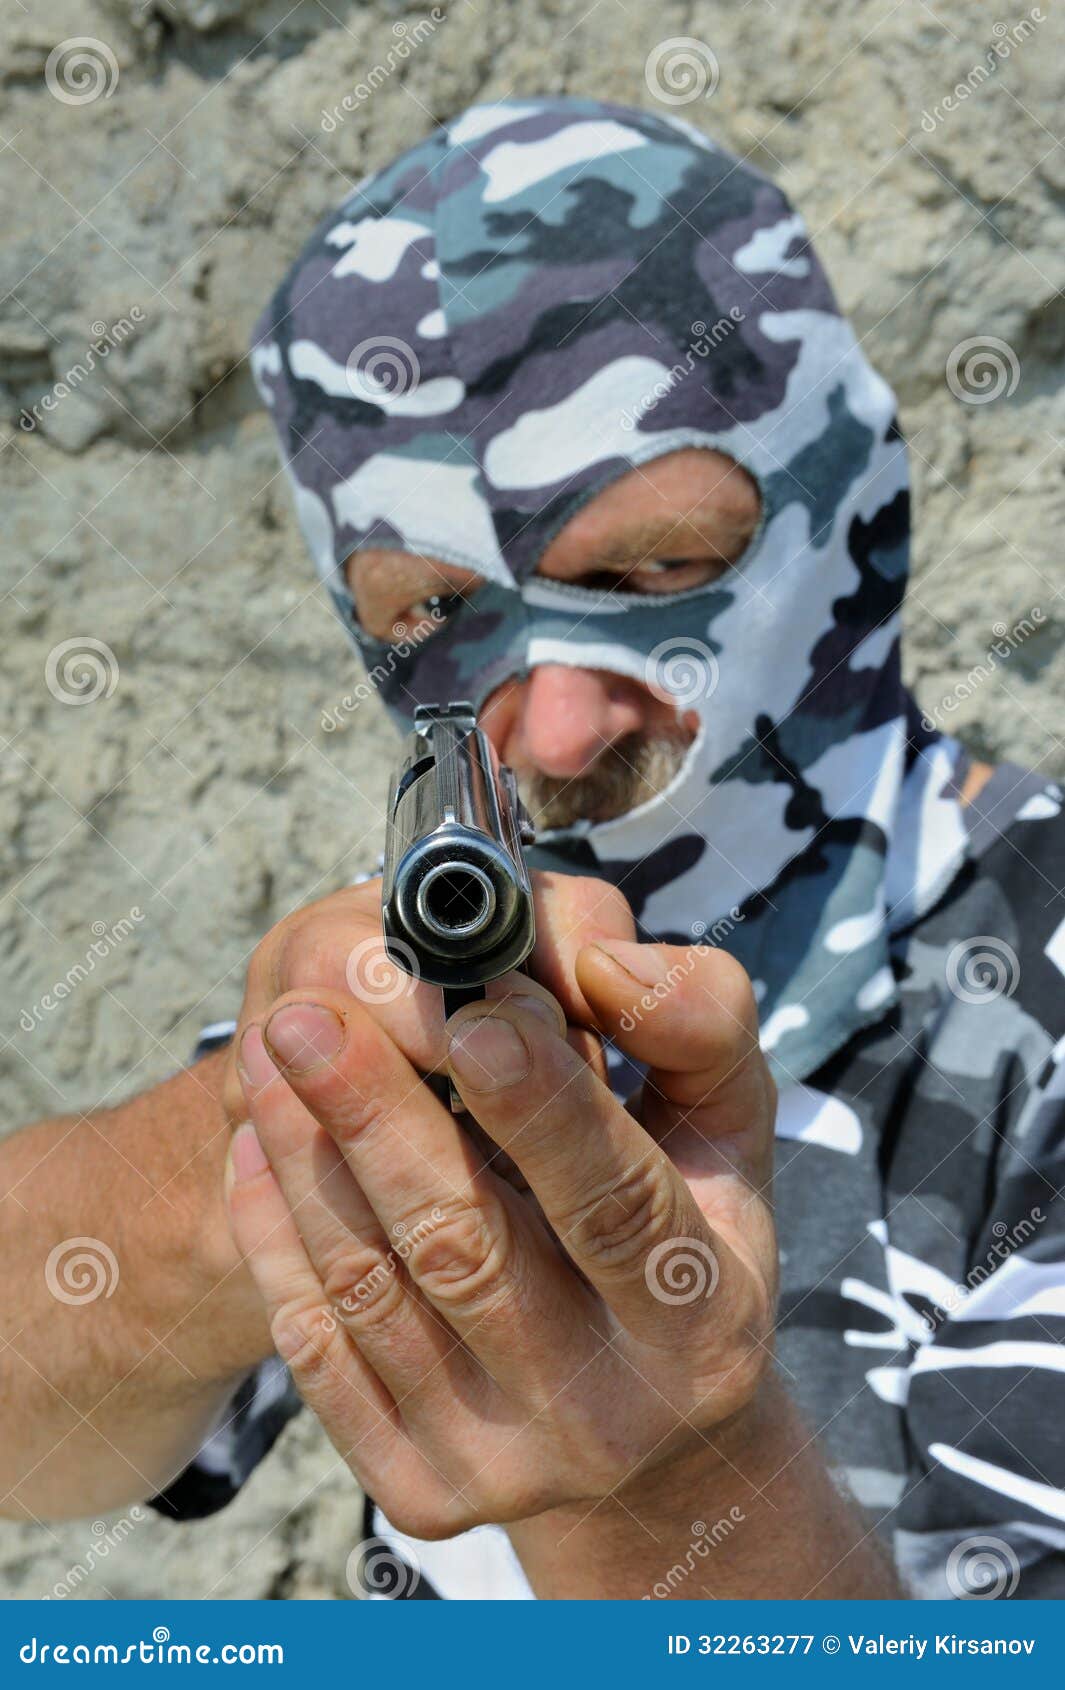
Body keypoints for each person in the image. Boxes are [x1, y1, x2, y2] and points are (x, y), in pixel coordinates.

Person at [2, 96, 1061, 1601]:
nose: (553, 732)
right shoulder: (463, 942)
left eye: (650, 570)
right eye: (432, 616)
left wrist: (660, 1486)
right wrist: (269, 1125)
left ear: (851, 512)